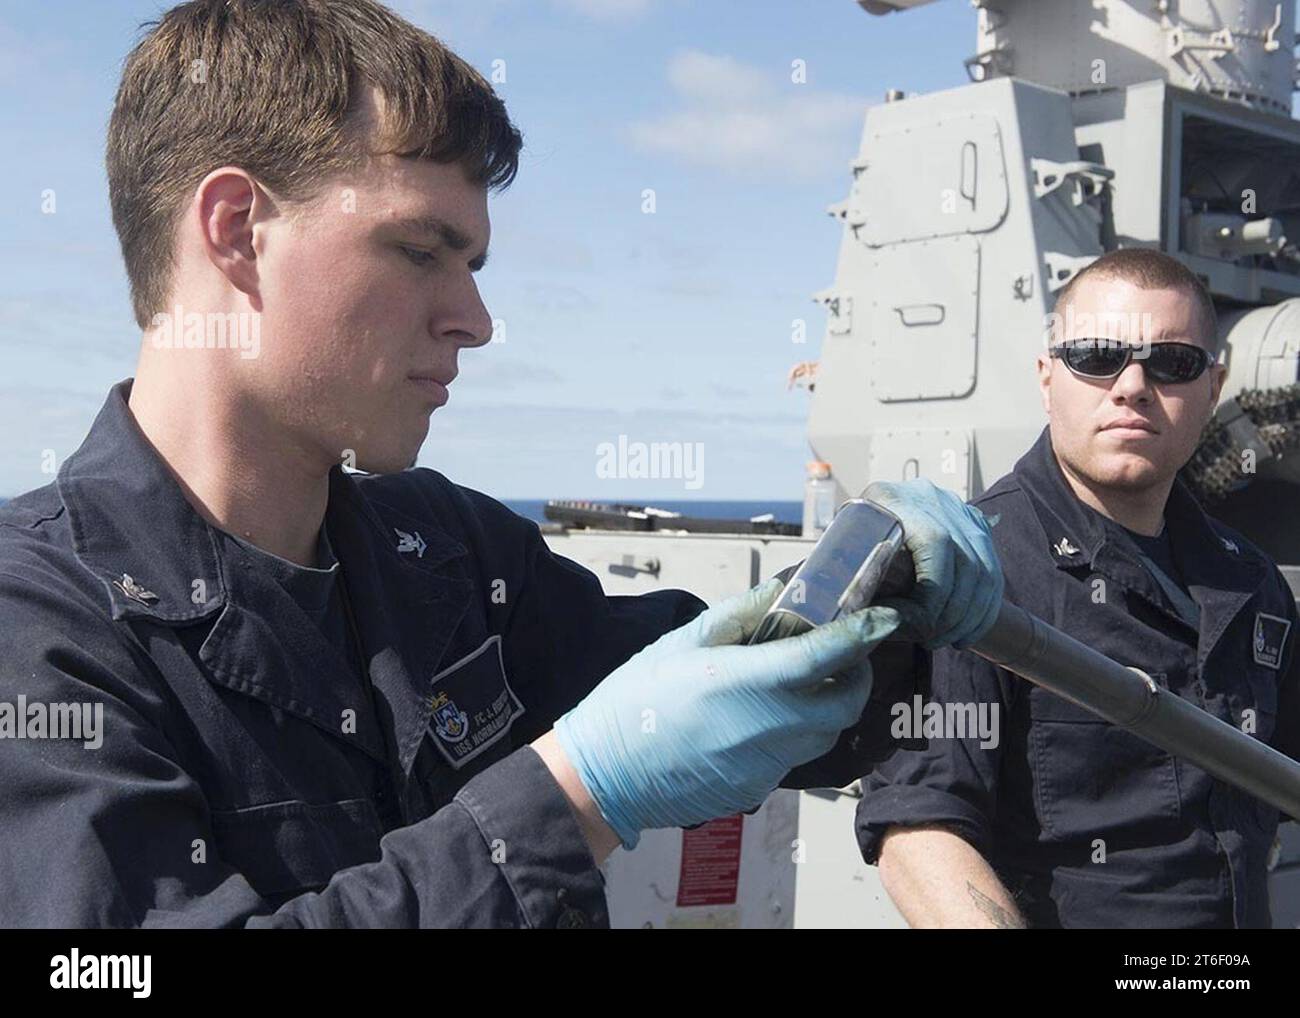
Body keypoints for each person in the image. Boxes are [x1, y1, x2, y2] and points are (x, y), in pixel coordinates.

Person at [0, 0, 1001, 928]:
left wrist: (882, 593)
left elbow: (758, 697)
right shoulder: (38, 626)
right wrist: (572, 797)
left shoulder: (446, 555)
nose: (473, 322)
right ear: (236, 232)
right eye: (419, 249)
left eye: (471, 267)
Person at [856, 249, 1300, 929]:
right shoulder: (972, 574)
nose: (1131, 386)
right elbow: (920, 833)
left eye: (1173, 363)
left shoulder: (1252, 582)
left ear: (1214, 388)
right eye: (1096, 356)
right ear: (1046, 378)